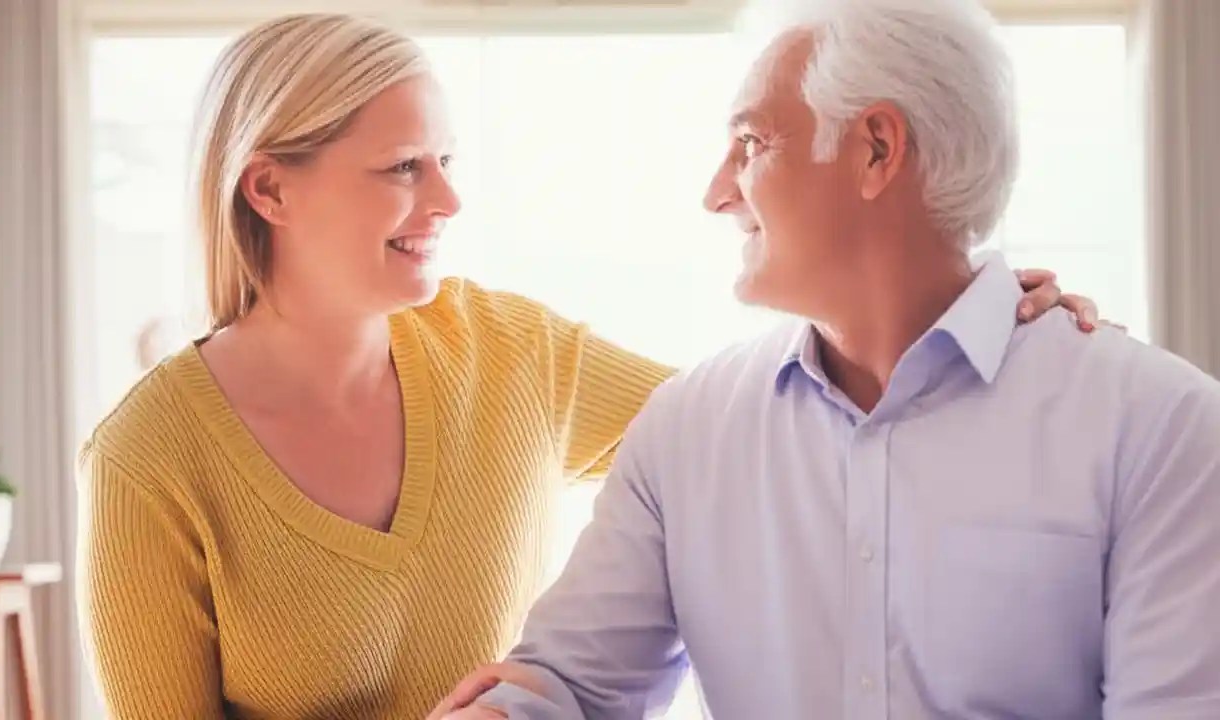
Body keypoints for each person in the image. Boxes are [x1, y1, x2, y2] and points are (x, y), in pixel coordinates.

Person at [75, 12, 1105, 720]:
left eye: (446, 161)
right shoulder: (148, 457)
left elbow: (790, 418)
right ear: (270, 191)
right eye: (401, 169)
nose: (445, 200)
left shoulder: (514, 354)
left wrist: (961, 315)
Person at [433, 1, 1220, 718]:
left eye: (750, 144)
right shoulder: (687, 431)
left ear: (876, 148)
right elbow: (575, 686)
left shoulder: (1159, 424)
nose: (716, 192)